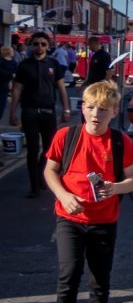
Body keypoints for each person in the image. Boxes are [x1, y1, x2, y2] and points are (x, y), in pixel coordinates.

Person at [43, 80, 133, 303]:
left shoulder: (121, 141)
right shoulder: (66, 136)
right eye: (91, 107)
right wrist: (63, 195)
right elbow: (50, 170)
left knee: (100, 281)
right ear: (82, 107)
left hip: (104, 221)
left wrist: (115, 187)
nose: (96, 114)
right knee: (69, 274)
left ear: (114, 111)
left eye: (103, 109)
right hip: (69, 218)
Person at [9, 31, 70, 197]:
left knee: (49, 149)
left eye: (43, 44)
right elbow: (17, 90)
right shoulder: (24, 65)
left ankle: (42, 176)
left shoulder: (53, 64)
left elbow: (62, 88)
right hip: (29, 112)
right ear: (31, 45)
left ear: (48, 46)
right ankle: (34, 185)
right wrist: (12, 112)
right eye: (36, 43)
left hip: (48, 112)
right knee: (33, 149)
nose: (39, 47)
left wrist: (66, 109)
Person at [0, 45, 18, 122]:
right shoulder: (1, 61)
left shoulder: (14, 62)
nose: (13, 52)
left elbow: (16, 74)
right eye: (11, 50)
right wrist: (11, 75)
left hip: (6, 87)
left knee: (1, 108)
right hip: (2, 84)